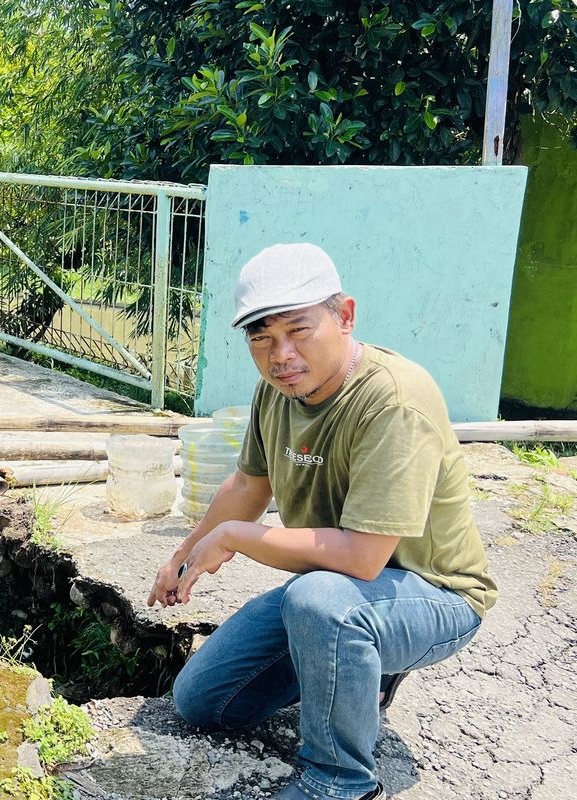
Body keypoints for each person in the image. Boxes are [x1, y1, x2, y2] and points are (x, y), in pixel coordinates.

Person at [147, 243, 496, 800]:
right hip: (341, 588)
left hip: (434, 595)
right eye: (261, 337)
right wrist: (183, 555)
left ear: (345, 316)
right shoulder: (276, 393)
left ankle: (339, 780)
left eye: (299, 330)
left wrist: (236, 537)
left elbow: (362, 558)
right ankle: (354, 672)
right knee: (203, 701)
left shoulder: (393, 401)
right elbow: (249, 485)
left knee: (318, 600)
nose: (281, 355)